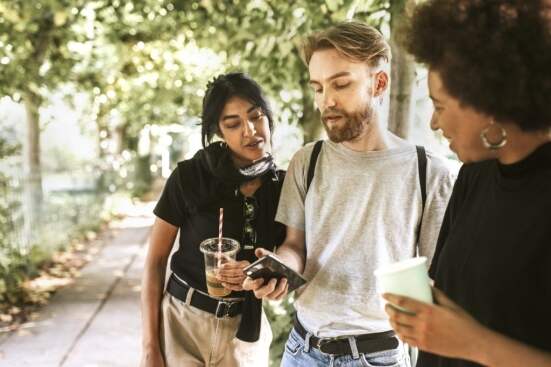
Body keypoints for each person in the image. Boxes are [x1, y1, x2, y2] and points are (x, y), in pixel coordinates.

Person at [244, 21, 455, 367]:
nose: (326, 101)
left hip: (380, 356)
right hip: (302, 351)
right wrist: (281, 267)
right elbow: (296, 247)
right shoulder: (306, 161)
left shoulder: (428, 172)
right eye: (317, 88)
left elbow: (436, 281)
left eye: (340, 84)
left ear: (379, 83)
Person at [382, 1, 551, 366]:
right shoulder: (474, 175)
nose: (433, 123)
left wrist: (474, 343)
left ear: (489, 102)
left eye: (439, 106)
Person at [140, 72, 285, 367]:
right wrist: (150, 347)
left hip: (245, 331)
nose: (250, 130)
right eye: (233, 124)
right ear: (218, 130)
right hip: (183, 323)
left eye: (256, 117)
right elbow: (155, 263)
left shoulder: (283, 187)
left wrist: (259, 272)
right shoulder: (189, 177)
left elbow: (291, 258)